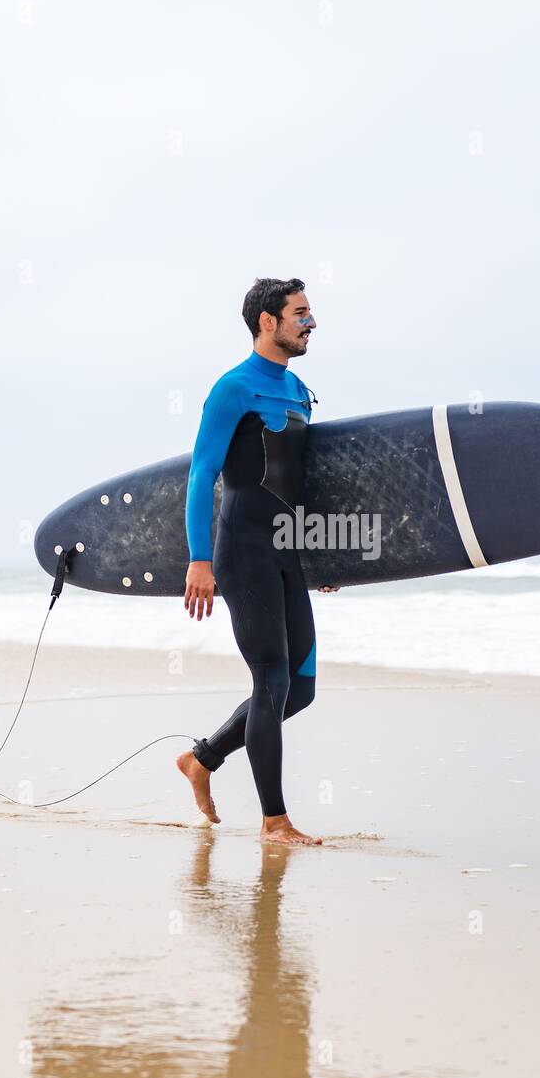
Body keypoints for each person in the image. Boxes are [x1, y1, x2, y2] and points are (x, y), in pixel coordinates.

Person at [176, 277, 337, 845]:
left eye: (310, 313)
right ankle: (275, 822)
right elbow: (201, 473)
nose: (310, 323)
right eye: (299, 313)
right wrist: (200, 560)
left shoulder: (297, 390)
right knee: (270, 679)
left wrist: (320, 556)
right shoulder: (233, 389)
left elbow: (301, 483)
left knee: (302, 687)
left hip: (290, 550)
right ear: (267, 321)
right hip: (242, 550)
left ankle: (202, 760)